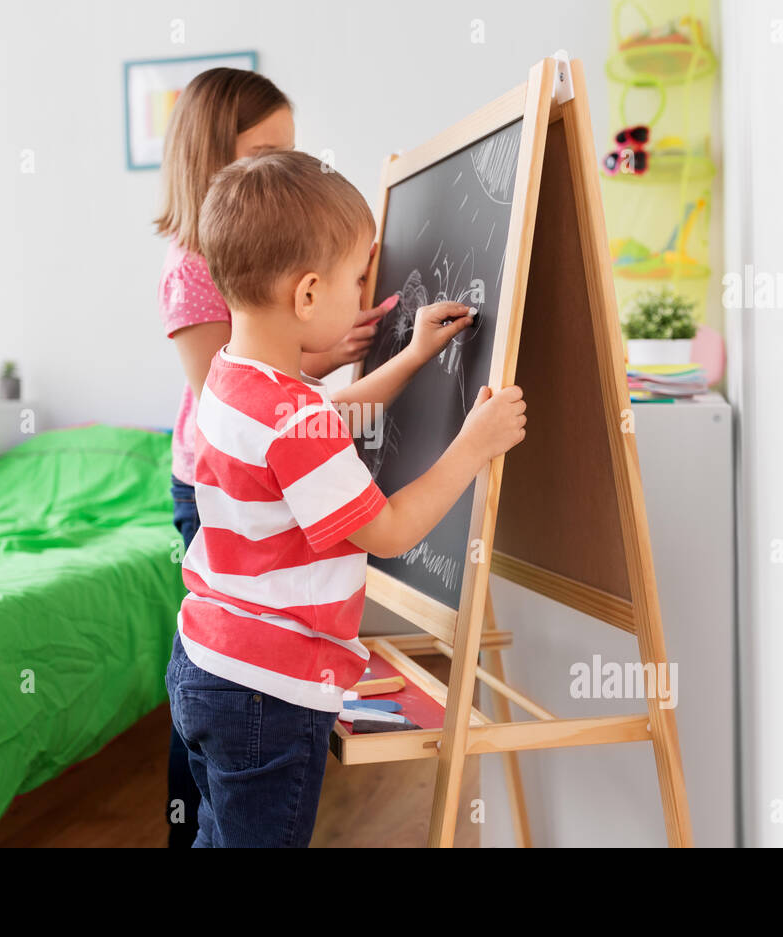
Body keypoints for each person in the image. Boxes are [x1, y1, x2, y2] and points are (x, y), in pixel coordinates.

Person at [165, 150, 527, 847]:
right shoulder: (293, 420)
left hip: (206, 665)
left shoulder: (232, 379)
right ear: (306, 295)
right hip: (265, 693)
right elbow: (388, 530)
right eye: (357, 279)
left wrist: (412, 357)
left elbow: (322, 423)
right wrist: (472, 447)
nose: (367, 292)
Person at [154, 67, 395, 847]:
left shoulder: (278, 382)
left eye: (292, 150)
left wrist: (331, 347)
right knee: (228, 677)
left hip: (262, 466)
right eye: (264, 152)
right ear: (209, 158)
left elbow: (279, 389)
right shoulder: (195, 272)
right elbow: (254, 396)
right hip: (217, 482)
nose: (283, 170)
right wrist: (320, 357)